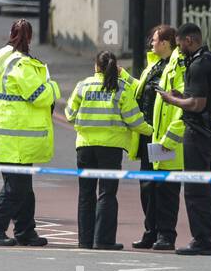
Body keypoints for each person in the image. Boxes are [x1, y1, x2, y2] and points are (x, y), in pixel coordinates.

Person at [0, 19, 59, 247]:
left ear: (10, 34)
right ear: (30, 37)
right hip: (17, 141)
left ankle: (25, 231)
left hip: (9, 139)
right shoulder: (20, 66)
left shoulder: (2, 62)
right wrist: (53, 86)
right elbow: (40, 96)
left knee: (23, 189)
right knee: (16, 189)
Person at [64, 51, 152, 250]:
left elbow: (69, 114)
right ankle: (103, 240)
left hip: (85, 147)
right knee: (107, 194)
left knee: (85, 194)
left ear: (96, 66)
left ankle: (85, 241)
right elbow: (134, 120)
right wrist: (151, 131)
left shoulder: (83, 86)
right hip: (111, 149)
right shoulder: (122, 88)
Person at [158, 23, 211, 255]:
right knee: (209, 186)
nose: (179, 50)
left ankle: (201, 241)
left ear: (189, 40)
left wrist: (172, 99)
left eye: (180, 45)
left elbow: (197, 104)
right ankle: (207, 237)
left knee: (195, 188)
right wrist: (183, 96)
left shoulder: (197, 65)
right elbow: (203, 96)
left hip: (197, 132)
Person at [129, 24, 178, 249]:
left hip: (163, 138)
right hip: (148, 136)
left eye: (155, 40)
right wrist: (125, 78)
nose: (151, 43)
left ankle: (166, 235)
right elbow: (143, 90)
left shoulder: (176, 67)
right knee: (147, 185)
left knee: (165, 188)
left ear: (166, 43)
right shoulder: (154, 65)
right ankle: (151, 231)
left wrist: (169, 139)